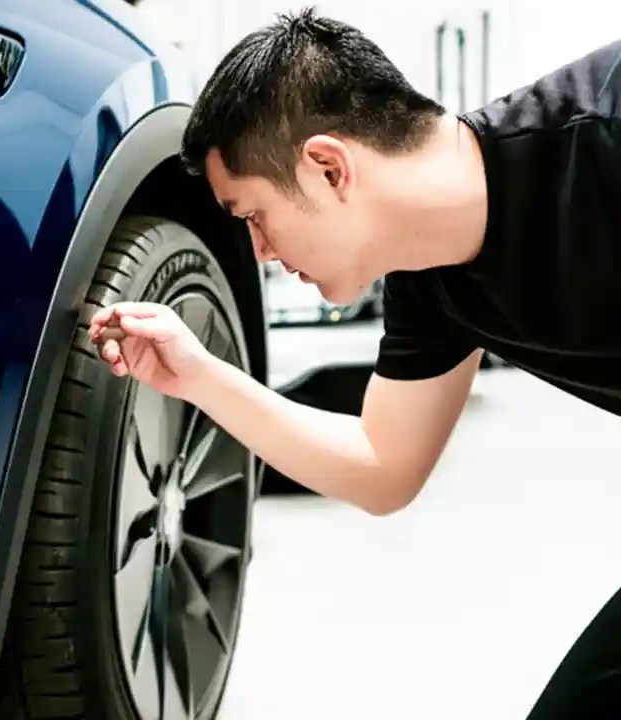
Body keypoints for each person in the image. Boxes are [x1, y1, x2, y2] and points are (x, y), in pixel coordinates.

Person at [90, 7, 621, 718]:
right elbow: (382, 468)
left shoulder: (604, 134)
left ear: (327, 166)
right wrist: (200, 377)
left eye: (253, 216)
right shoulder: (430, 284)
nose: (261, 253)